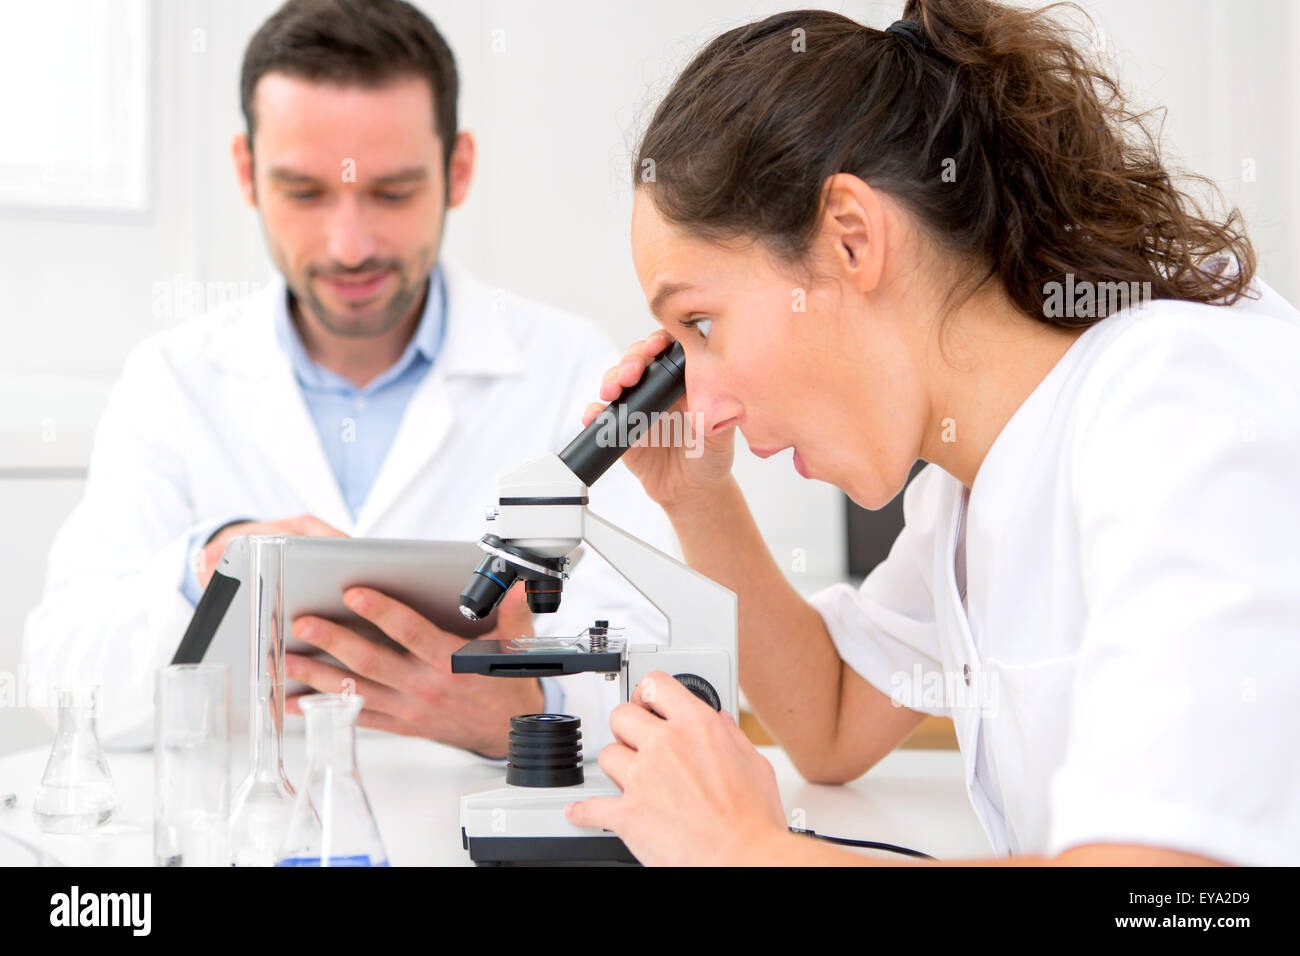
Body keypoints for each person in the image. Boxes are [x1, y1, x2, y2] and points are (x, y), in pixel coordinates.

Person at [565, 0, 1300, 865]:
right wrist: (698, 497)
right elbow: (831, 721)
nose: (703, 397)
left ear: (849, 238)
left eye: (705, 324)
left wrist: (750, 853)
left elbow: (1169, 900)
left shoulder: (1179, 400)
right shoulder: (972, 478)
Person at [22, 0, 671, 755]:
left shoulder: (568, 370)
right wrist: (208, 569)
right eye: (305, 193)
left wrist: (526, 712)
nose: (350, 244)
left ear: (457, 170)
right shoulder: (171, 382)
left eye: (391, 192)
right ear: (246, 172)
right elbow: (66, 684)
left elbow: (664, 663)